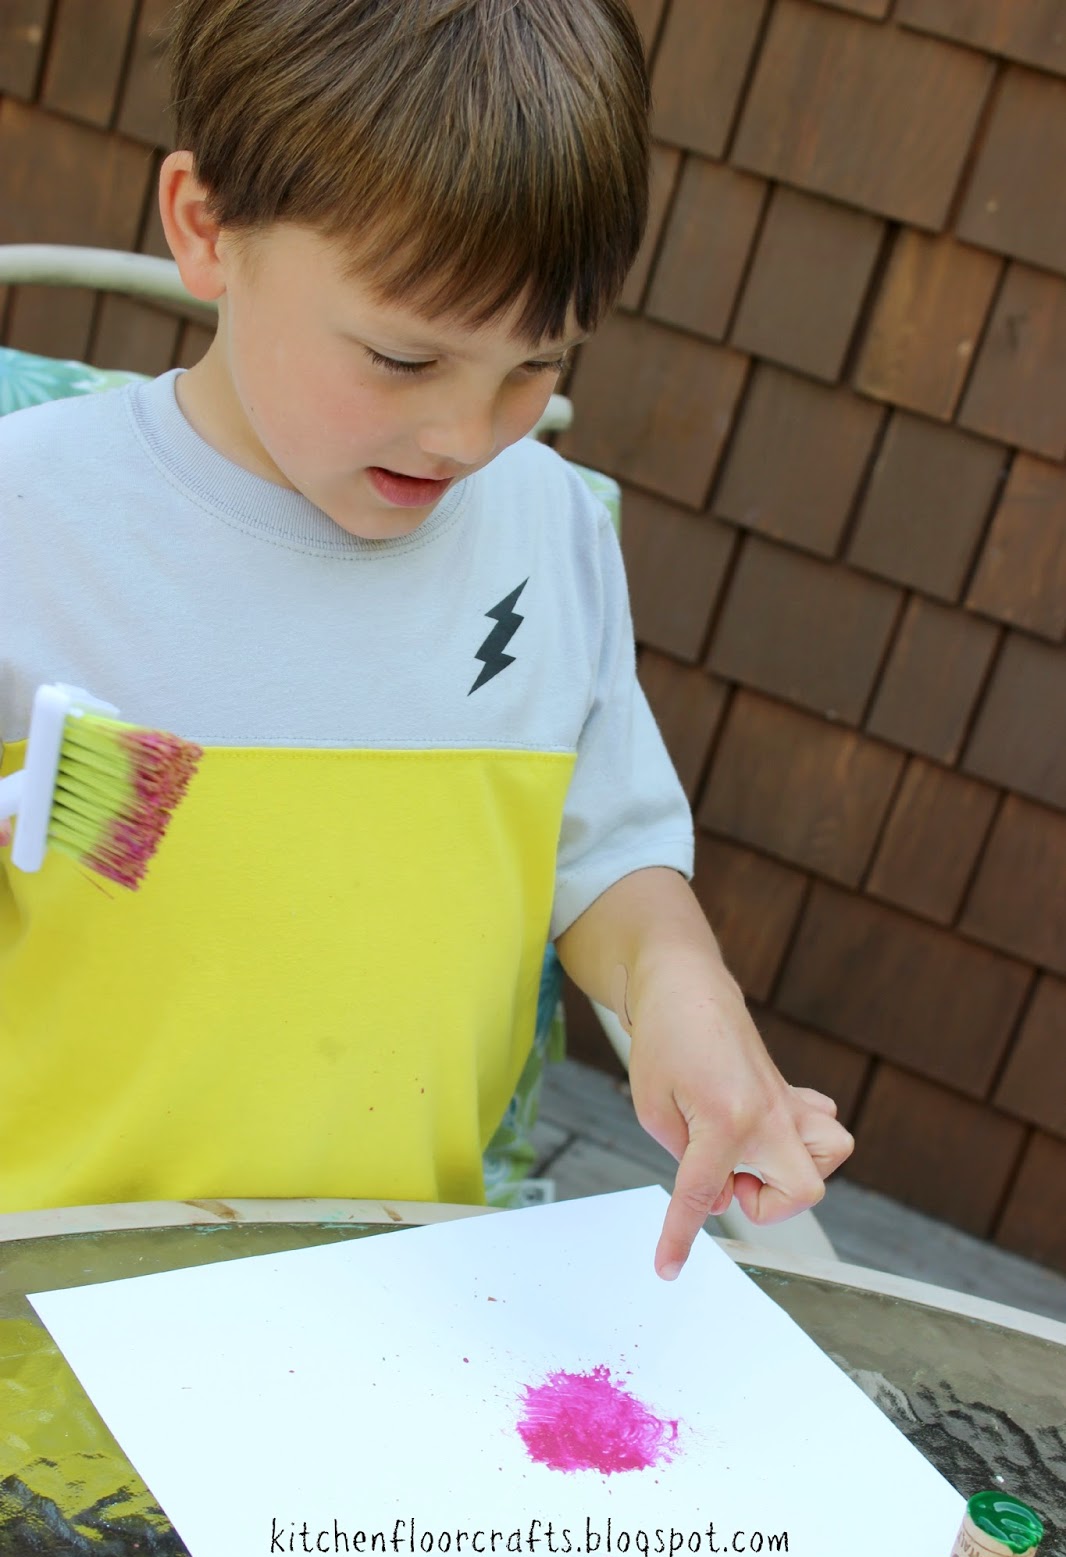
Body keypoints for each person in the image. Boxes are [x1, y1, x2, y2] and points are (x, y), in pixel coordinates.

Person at [0, 0, 852, 1275]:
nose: (466, 436)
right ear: (205, 228)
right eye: (403, 359)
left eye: (534, 367)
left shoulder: (549, 530)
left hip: (396, 1285)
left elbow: (604, 854)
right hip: (44, 1290)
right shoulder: (27, 520)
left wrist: (681, 987)